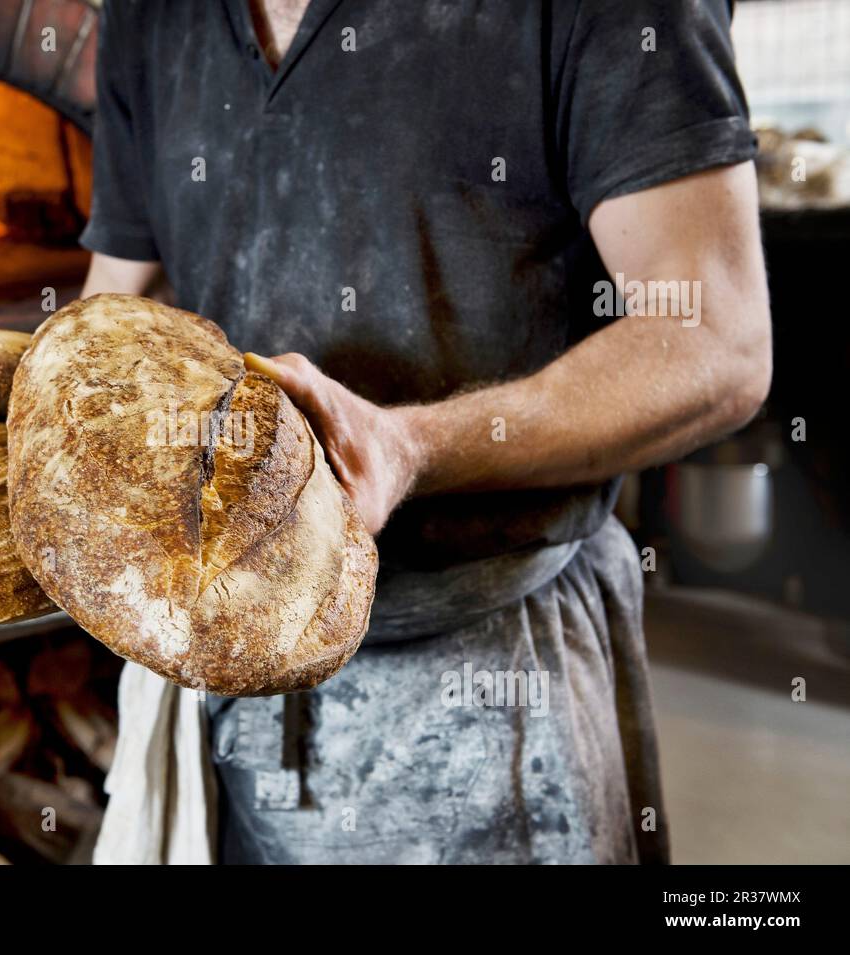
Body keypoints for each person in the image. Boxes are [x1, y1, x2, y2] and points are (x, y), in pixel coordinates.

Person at [78, 0, 771, 863]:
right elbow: (118, 300)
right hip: (230, 659)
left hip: (490, 675)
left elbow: (717, 338)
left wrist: (411, 447)